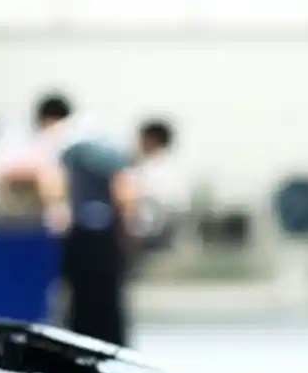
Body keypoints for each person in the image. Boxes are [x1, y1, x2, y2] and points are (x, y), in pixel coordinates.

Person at [32, 93, 137, 346]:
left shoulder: (60, 140)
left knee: (80, 298)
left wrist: (57, 210)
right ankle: (114, 345)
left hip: (79, 231)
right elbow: (125, 190)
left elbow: (52, 185)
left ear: (48, 118)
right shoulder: (106, 140)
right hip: (107, 231)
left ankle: (79, 344)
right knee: (109, 297)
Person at [131, 118, 191, 252]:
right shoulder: (174, 171)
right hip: (164, 237)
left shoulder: (148, 171)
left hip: (149, 238)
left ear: (151, 140)